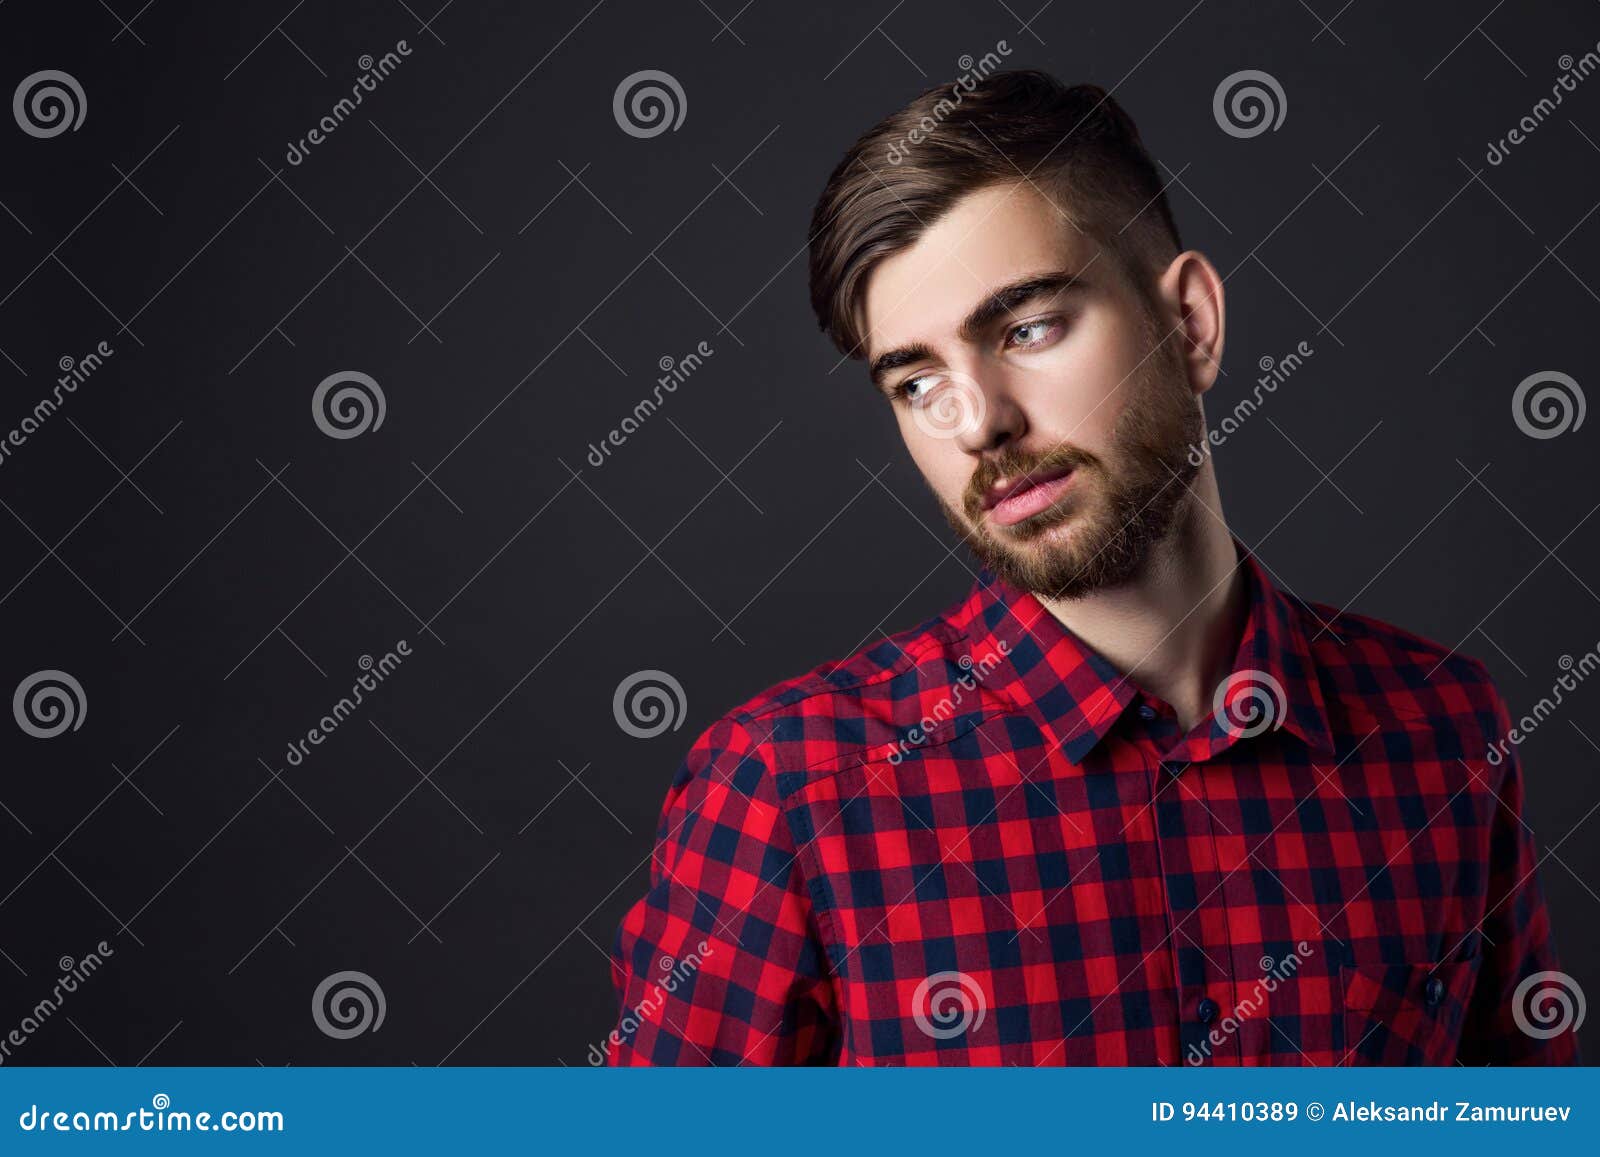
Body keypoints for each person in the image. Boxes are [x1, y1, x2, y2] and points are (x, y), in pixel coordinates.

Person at [606, 70, 1576, 1066]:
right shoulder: (789, 791)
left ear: (1191, 322)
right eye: (916, 380)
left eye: (1026, 329)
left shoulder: (1443, 728)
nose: (977, 420)